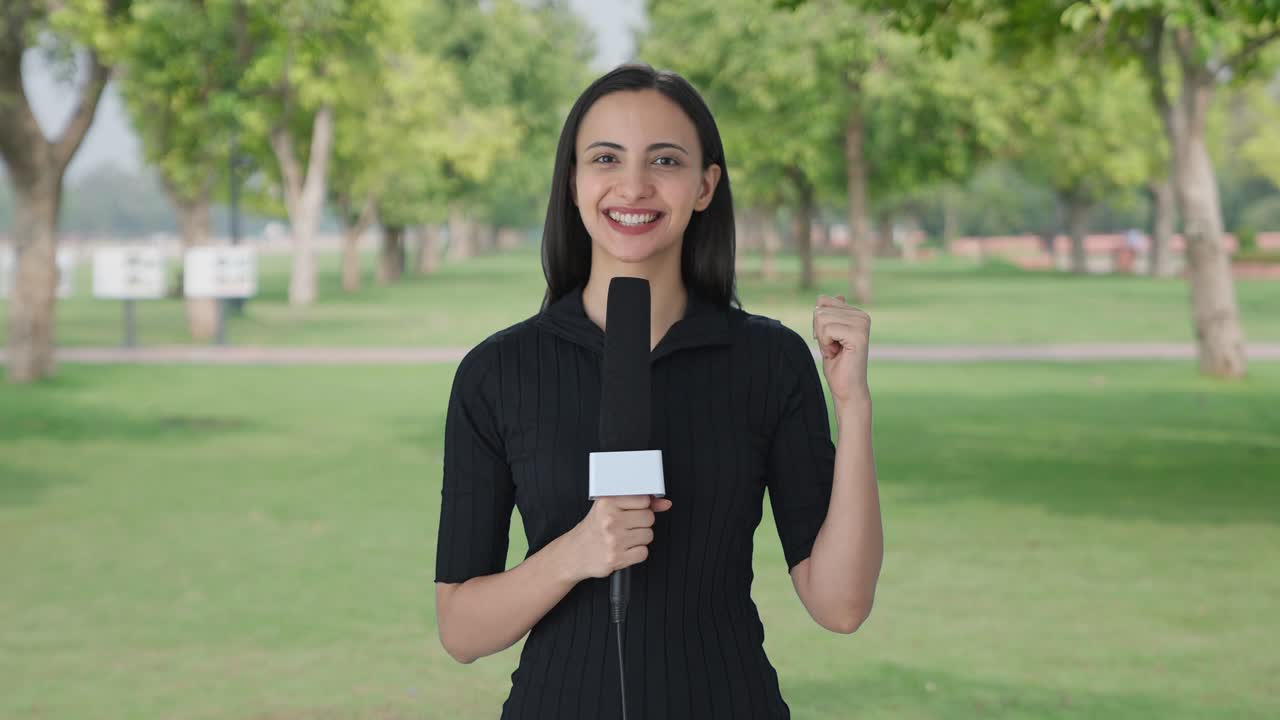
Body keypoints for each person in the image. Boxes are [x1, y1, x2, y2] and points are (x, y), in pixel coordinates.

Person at [433, 63, 884, 720]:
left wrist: (855, 406)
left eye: (665, 160)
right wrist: (577, 553)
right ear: (573, 183)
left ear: (705, 186)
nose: (634, 185)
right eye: (606, 158)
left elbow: (841, 606)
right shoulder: (498, 371)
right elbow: (461, 631)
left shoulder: (770, 361)